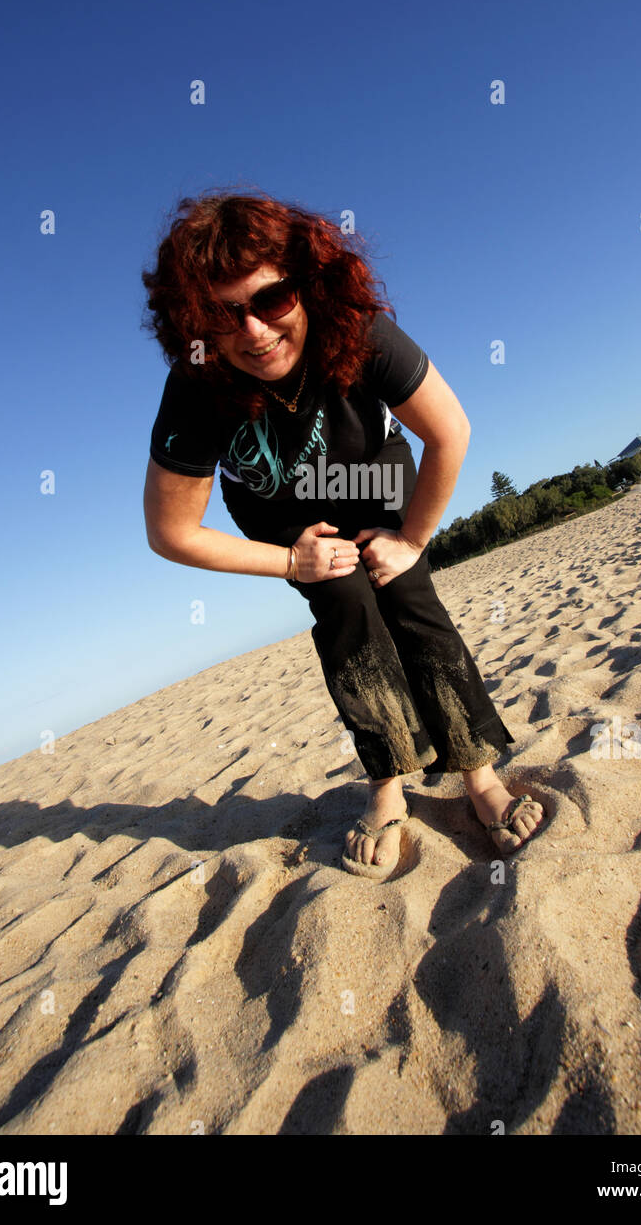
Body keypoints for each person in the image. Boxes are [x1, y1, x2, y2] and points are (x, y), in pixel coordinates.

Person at [141, 190, 545, 880]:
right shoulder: (197, 383)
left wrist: (412, 539)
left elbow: (450, 432)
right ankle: (387, 788)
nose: (254, 331)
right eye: (223, 312)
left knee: (405, 590)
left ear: (307, 285)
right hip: (282, 515)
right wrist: (288, 562)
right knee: (346, 602)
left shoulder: (358, 331)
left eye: (271, 300)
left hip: (372, 474)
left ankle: (477, 774)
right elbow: (171, 532)